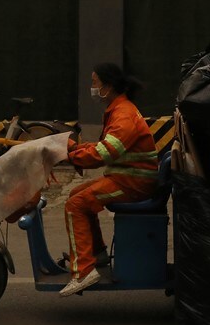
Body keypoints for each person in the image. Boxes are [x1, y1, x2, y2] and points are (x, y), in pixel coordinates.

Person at [59, 62, 158, 297]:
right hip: (125, 177)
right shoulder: (118, 109)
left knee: (75, 205)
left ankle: (83, 271)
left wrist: (72, 156)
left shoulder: (123, 114)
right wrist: (74, 149)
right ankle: (97, 253)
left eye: (95, 83)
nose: (92, 88)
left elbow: (105, 153)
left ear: (108, 86)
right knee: (76, 195)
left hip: (133, 183)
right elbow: (104, 146)